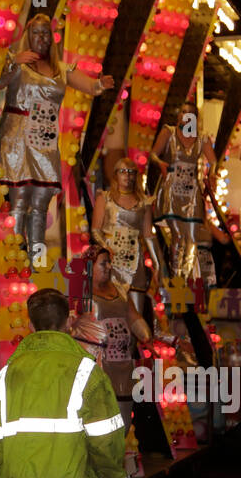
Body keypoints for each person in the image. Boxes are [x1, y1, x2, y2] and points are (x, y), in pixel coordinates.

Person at [0, 288, 130, 478]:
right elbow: (107, 447)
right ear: (69, 322)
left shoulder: (5, 377)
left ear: (30, 325)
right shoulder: (87, 374)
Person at [0, 14, 113, 267]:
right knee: (19, 199)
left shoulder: (60, 69)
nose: (41, 38)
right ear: (28, 35)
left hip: (45, 140)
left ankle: (36, 264)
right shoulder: (20, 64)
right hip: (17, 139)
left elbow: (92, 87)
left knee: (40, 203)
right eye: (36, 33)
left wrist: (101, 84)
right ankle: (14, 264)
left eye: (46, 33)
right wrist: (13, 60)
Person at [71, 245, 153, 432]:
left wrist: (146, 336)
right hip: (96, 363)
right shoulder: (80, 292)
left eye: (109, 262)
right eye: (103, 263)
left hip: (122, 363)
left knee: (123, 417)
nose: (108, 266)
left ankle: (117, 450)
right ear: (90, 266)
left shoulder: (120, 290)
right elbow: (69, 323)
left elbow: (134, 318)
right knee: (98, 414)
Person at [150, 101, 218, 279]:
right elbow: (153, 154)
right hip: (172, 190)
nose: (186, 116)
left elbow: (214, 161)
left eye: (191, 113)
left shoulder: (201, 138)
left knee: (193, 237)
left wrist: (211, 173)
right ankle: (176, 276)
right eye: (183, 112)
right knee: (178, 236)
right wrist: (160, 163)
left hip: (192, 192)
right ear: (178, 115)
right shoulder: (169, 132)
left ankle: (186, 278)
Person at [92, 156, 165, 318]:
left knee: (135, 313)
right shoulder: (105, 198)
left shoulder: (143, 202)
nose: (127, 175)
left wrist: (158, 264)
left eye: (131, 172)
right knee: (109, 309)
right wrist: (107, 248)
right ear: (116, 175)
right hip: (110, 262)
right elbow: (96, 230)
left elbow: (148, 235)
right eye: (123, 171)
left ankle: (134, 343)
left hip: (134, 262)